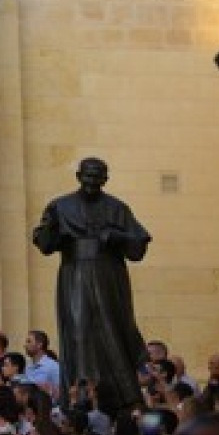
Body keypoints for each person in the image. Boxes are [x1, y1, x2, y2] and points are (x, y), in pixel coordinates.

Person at [32, 157, 150, 415]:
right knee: (78, 331)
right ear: (78, 176)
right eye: (87, 176)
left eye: (98, 177)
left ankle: (126, 395)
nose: (92, 182)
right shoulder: (60, 206)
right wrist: (49, 232)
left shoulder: (117, 208)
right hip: (74, 275)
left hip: (109, 276)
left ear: (105, 179)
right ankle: (81, 392)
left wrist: (116, 236)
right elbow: (45, 243)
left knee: (113, 330)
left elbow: (139, 243)